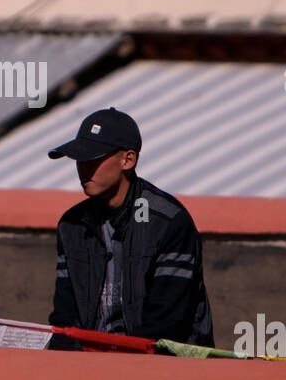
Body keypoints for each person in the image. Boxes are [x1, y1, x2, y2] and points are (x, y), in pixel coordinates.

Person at [45, 107, 213, 351]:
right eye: (80, 159)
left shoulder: (168, 222)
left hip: (163, 373)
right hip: (88, 370)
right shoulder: (71, 226)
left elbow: (167, 326)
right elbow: (64, 320)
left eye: (94, 159)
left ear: (128, 160)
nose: (83, 168)